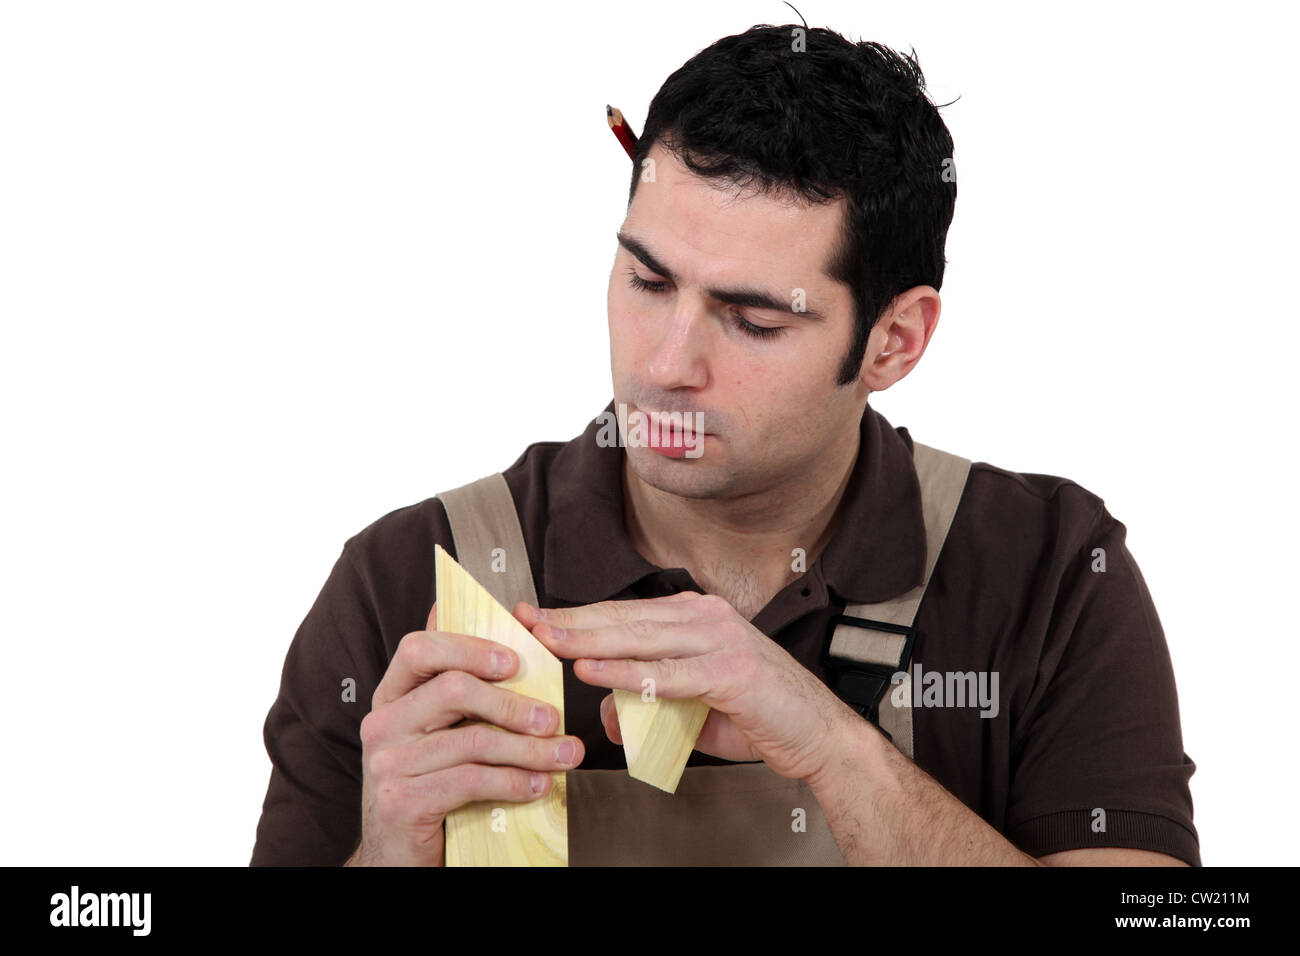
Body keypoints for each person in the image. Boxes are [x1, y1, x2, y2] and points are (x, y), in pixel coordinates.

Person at [250, 24, 1199, 866]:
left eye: (751, 320)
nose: (667, 365)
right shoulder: (409, 576)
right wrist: (385, 857)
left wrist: (832, 746)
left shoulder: (1049, 571)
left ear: (893, 341)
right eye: (649, 281)